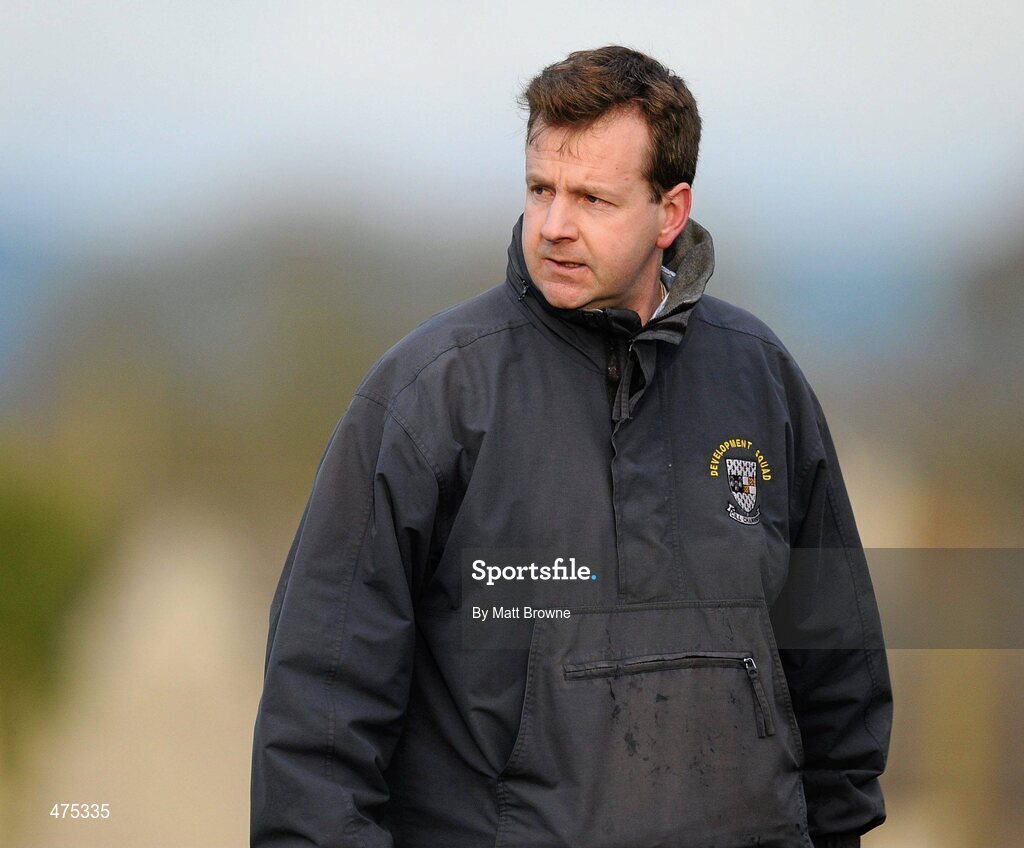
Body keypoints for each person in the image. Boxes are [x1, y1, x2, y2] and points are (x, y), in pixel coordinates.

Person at [250, 46, 892, 848]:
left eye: (592, 197)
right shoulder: (428, 398)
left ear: (671, 211)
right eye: (540, 189)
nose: (553, 224)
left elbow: (839, 676)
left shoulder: (763, 382)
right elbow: (319, 720)